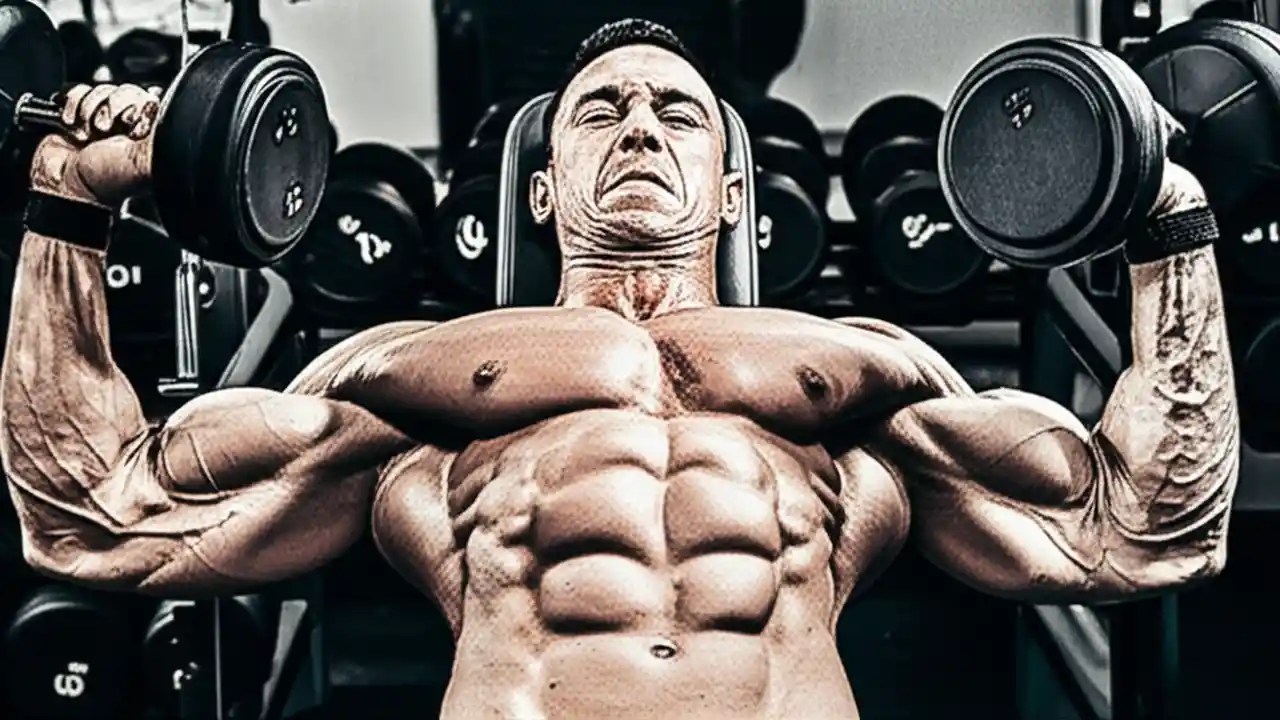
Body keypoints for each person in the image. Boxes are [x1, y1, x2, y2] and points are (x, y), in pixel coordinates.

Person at [1, 19, 1238, 720]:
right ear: (539, 189)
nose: (639, 126)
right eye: (598, 112)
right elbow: (95, 517)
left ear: (733, 188)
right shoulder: (412, 380)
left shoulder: (863, 379)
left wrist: (1166, 216)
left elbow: (1146, 530)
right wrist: (69, 203)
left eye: (676, 113)